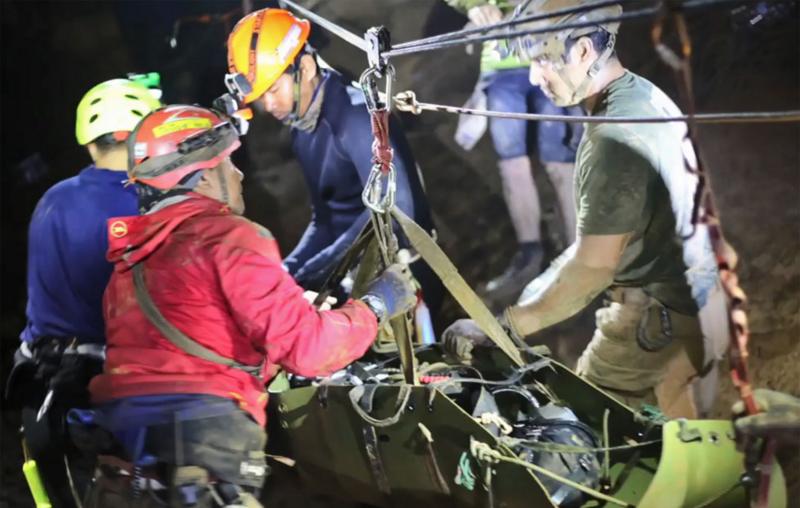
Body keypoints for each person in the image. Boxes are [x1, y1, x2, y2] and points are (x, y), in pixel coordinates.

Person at [82, 104, 416, 507]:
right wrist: (377, 304)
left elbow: (189, 349)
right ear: (205, 177)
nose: (239, 175)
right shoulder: (229, 238)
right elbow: (309, 351)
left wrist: (295, 315)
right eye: (229, 163)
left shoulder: (128, 265)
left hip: (123, 454)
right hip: (206, 448)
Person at [443, 0, 724, 418]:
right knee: (686, 456)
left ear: (583, 52)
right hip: (704, 309)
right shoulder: (642, 94)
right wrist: (516, 311)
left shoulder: (612, 140)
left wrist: (503, 327)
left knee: (586, 436)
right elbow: (587, 249)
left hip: (655, 328)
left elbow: (591, 269)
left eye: (542, 60)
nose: (535, 78)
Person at [5, 78, 161, 508]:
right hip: (113, 400)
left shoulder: (51, 200)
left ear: (90, 144)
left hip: (42, 387)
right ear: (143, 138)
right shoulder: (150, 205)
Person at [226, 8, 443, 315]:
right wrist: (289, 272)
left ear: (306, 67)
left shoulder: (356, 118)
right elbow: (326, 219)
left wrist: (316, 269)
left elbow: (396, 213)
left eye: (273, 89)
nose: (269, 105)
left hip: (404, 278)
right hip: (356, 273)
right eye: (261, 97)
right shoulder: (303, 127)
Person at [446, 0, 583, 300]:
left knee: (559, 159)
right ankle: (530, 255)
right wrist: (474, 5)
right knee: (512, 163)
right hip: (500, 65)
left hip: (551, 54)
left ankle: (579, 256)